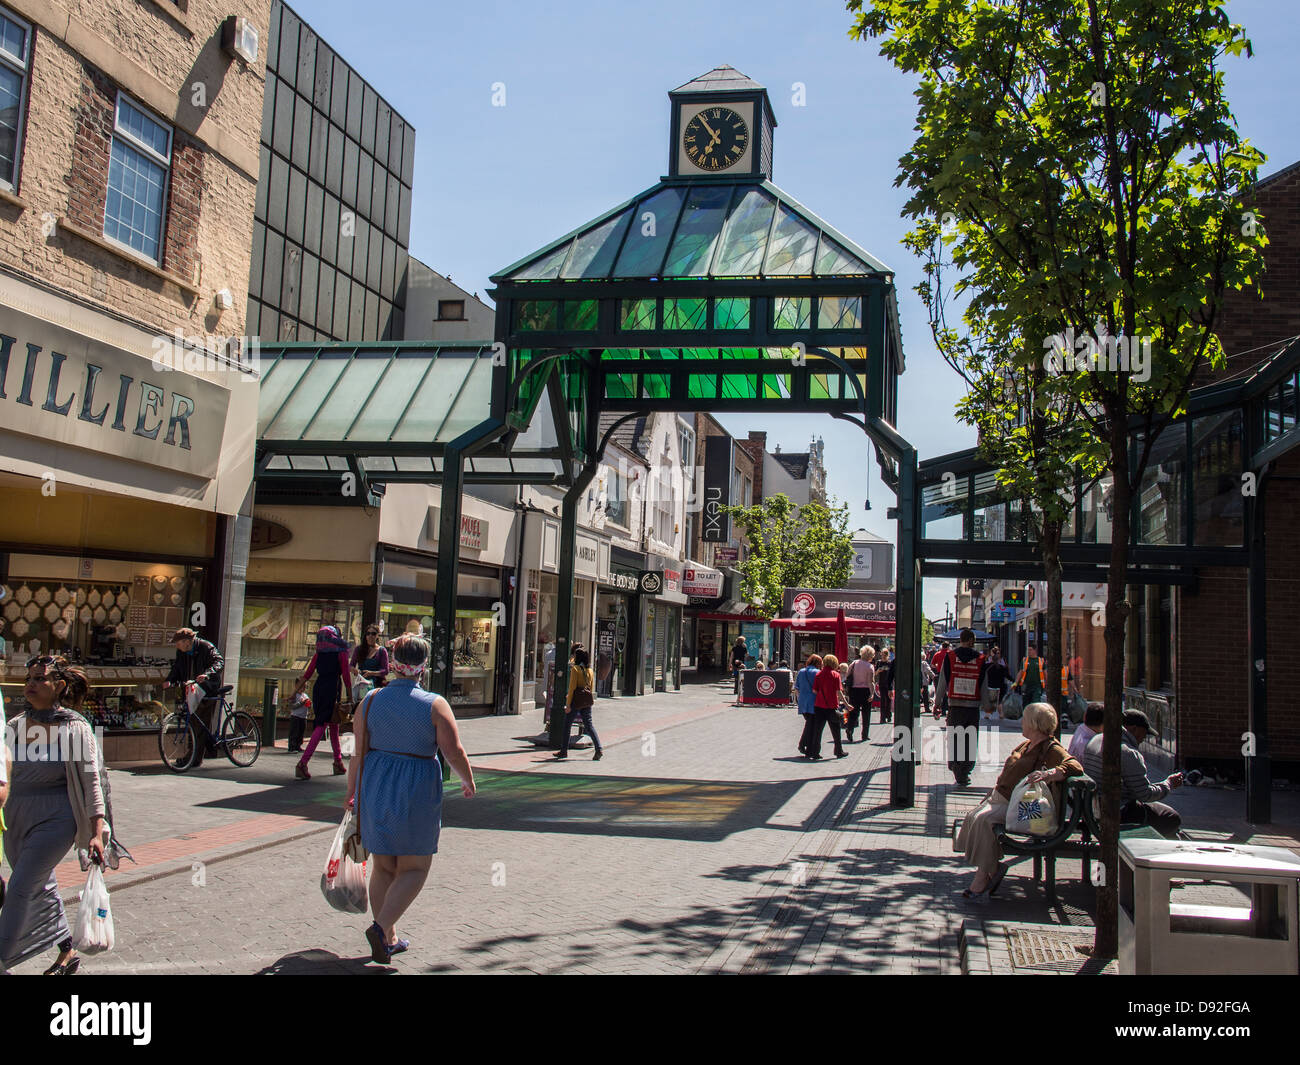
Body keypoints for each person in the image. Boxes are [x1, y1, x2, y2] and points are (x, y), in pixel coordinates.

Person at [345, 634, 475, 964]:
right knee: (415, 866)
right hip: (416, 785)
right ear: (423, 666)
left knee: (384, 865)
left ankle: (387, 938)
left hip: (376, 784)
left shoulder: (370, 700)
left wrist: (352, 793)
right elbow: (453, 751)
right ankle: (382, 927)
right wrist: (467, 779)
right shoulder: (434, 704)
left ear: (392, 664)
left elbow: (357, 754)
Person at [0, 656, 107, 975]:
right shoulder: (14, 725)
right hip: (16, 819)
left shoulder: (76, 726)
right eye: (27, 679)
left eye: (39, 679)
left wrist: (96, 830)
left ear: (58, 686)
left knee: (19, 889)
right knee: (39, 885)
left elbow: (92, 780)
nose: (30, 685)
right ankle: (67, 951)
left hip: (56, 819)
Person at [955, 702, 1083, 901]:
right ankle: (992, 868)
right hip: (1002, 798)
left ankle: (983, 876)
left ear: (1034, 723)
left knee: (984, 821)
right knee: (973, 817)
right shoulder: (1026, 744)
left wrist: (1052, 772)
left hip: (1020, 806)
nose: (1021, 723)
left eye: (1025, 719)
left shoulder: (1050, 748)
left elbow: (1074, 765)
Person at [1083, 710, 1184, 838]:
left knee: (1163, 815)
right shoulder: (1128, 753)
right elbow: (1145, 795)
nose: (1144, 738)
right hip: (1118, 811)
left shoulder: (1096, 739)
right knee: (1172, 817)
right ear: (1134, 729)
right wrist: (1168, 784)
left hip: (1093, 808)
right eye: (1144, 733)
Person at [294, 625, 351, 781]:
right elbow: (346, 675)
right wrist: (350, 696)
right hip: (333, 688)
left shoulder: (320, 652)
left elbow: (307, 674)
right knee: (323, 724)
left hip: (319, 687)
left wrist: (294, 692)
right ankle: (303, 762)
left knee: (333, 724)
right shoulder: (341, 651)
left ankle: (338, 761)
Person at [163, 627, 224, 767]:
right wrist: (170, 680)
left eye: (178, 643)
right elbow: (177, 668)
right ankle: (197, 753)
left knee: (200, 722)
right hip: (191, 688)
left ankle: (194, 759)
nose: (177, 646)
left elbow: (219, 662)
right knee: (193, 721)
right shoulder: (182, 651)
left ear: (186, 642)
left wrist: (207, 674)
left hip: (207, 689)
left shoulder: (206, 647)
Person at [939, 628, 987, 786]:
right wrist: (987, 705)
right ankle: (965, 770)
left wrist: (938, 702)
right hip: (972, 707)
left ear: (961, 639)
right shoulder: (980, 659)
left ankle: (956, 768)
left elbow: (943, 681)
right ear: (972, 640)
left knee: (955, 738)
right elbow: (983, 684)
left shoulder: (951, 656)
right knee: (970, 739)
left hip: (955, 705)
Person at [553, 644, 601, 761]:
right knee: (589, 725)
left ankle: (564, 751)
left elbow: (572, 687)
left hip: (576, 700)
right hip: (586, 700)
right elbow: (591, 686)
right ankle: (598, 748)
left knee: (567, 725)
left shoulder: (575, 670)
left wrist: (568, 704)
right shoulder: (590, 670)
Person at [810, 654, 847, 760]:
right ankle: (838, 751)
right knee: (836, 730)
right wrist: (846, 704)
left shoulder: (819, 674)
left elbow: (814, 690)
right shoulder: (836, 675)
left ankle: (815, 752)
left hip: (819, 706)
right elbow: (838, 691)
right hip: (831, 706)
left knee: (818, 731)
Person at [844, 645, 875, 743]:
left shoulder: (854, 663)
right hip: (865, 690)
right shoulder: (870, 666)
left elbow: (848, 675)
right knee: (866, 714)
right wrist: (872, 694)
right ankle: (864, 735)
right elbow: (871, 681)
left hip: (854, 690)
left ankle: (850, 728)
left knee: (853, 712)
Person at [351, 625, 390, 698]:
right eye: (368, 633)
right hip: (361, 685)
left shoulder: (382, 651)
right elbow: (351, 665)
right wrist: (355, 670)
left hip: (376, 686)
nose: (370, 636)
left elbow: (385, 671)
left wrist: (371, 673)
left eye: (373, 634)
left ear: (377, 636)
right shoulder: (359, 649)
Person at [795, 653, 822, 755]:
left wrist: (799, 699)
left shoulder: (801, 672)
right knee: (811, 724)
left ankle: (808, 748)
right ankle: (803, 744)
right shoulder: (818, 673)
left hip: (803, 701)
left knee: (810, 723)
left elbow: (796, 688)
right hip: (814, 701)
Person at [982, 646, 1011, 720]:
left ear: (991, 659)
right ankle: (1001, 714)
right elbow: (1007, 676)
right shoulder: (1002, 667)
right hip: (1000, 686)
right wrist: (1015, 681)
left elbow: (981, 674)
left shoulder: (987, 666)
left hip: (990, 686)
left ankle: (988, 714)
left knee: (990, 700)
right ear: (998, 659)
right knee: (999, 700)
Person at [875, 647, 895, 724]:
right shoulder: (879, 663)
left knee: (888, 700)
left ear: (887, 655)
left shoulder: (890, 663)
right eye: (882, 654)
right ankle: (882, 718)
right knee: (883, 700)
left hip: (889, 683)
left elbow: (892, 673)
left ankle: (888, 715)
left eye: (885, 655)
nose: (883, 656)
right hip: (881, 683)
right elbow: (875, 673)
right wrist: (879, 670)